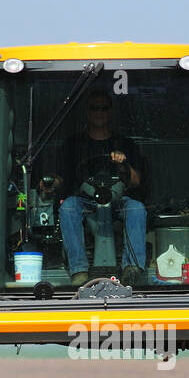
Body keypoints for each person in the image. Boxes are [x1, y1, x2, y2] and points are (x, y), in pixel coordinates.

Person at [39, 88, 146, 287]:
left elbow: (136, 181)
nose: (99, 112)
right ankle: (79, 271)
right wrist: (49, 182)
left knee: (136, 208)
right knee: (69, 206)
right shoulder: (73, 145)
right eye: (94, 108)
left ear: (111, 112)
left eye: (104, 108)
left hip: (117, 202)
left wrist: (123, 164)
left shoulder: (125, 143)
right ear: (87, 112)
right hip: (85, 201)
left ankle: (132, 269)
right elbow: (62, 179)